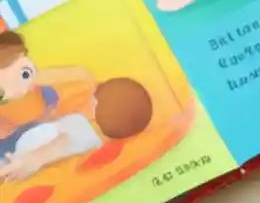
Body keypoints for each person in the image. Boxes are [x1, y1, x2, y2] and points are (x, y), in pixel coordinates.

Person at [0, 76, 153, 182]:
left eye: (94, 93)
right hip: (21, 140)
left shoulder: (82, 130)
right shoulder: (90, 135)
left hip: (15, 150)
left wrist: (34, 159)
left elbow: (60, 144)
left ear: (95, 105)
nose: (86, 98)